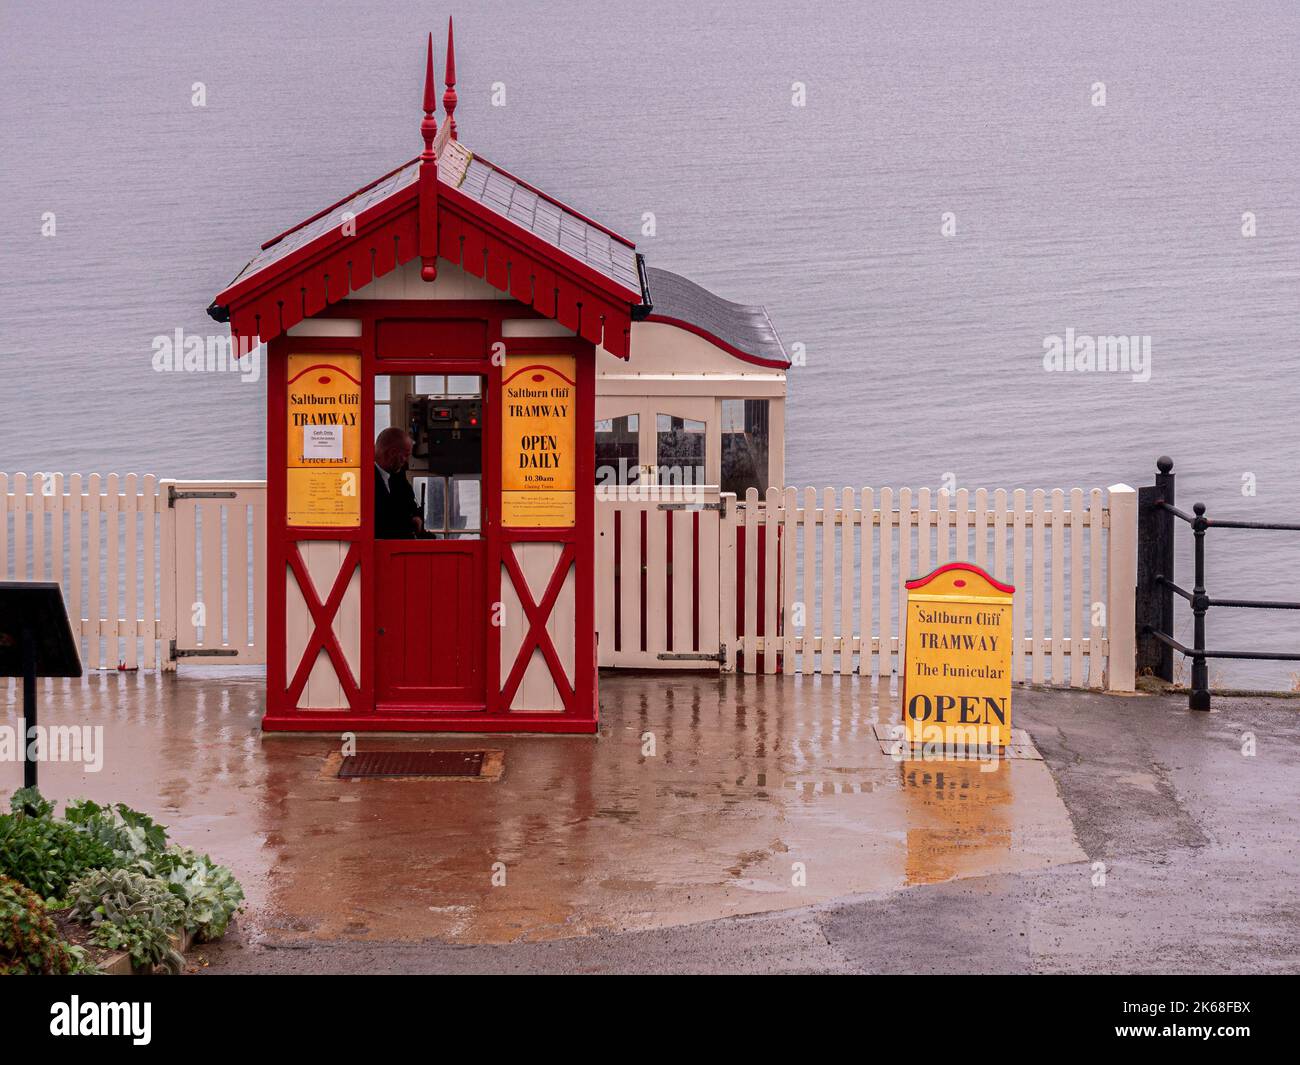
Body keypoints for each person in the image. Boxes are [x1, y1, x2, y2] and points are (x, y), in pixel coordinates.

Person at [374, 427, 424, 538]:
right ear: (392, 453)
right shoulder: (364, 478)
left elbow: (410, 502)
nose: (407, 461)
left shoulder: (398, 475)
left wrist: (416, 516)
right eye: (405, 455)